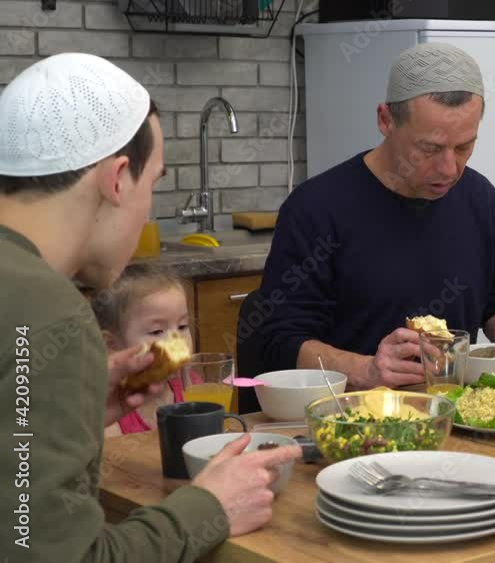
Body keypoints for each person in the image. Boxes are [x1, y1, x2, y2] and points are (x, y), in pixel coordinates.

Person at [0, 53, 300, 562]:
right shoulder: (50, 311)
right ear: (118, 179)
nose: (146, 212)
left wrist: (74, 409)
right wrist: (209, 506)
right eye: (154, 183)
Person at [256, 42, 495, 388]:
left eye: (464, 147)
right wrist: (367, 370)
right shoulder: (316, 209)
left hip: (453, 415)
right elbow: (278, 342)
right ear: (385, 120)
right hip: (352, 421)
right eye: (429, 148)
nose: (449, 168)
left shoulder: (481, 199)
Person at [93, 263, 200, 437]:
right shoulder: (109, 408)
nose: (177, 340)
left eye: (182, 326)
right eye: (157, 331)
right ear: (112, 345)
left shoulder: (191, 384)